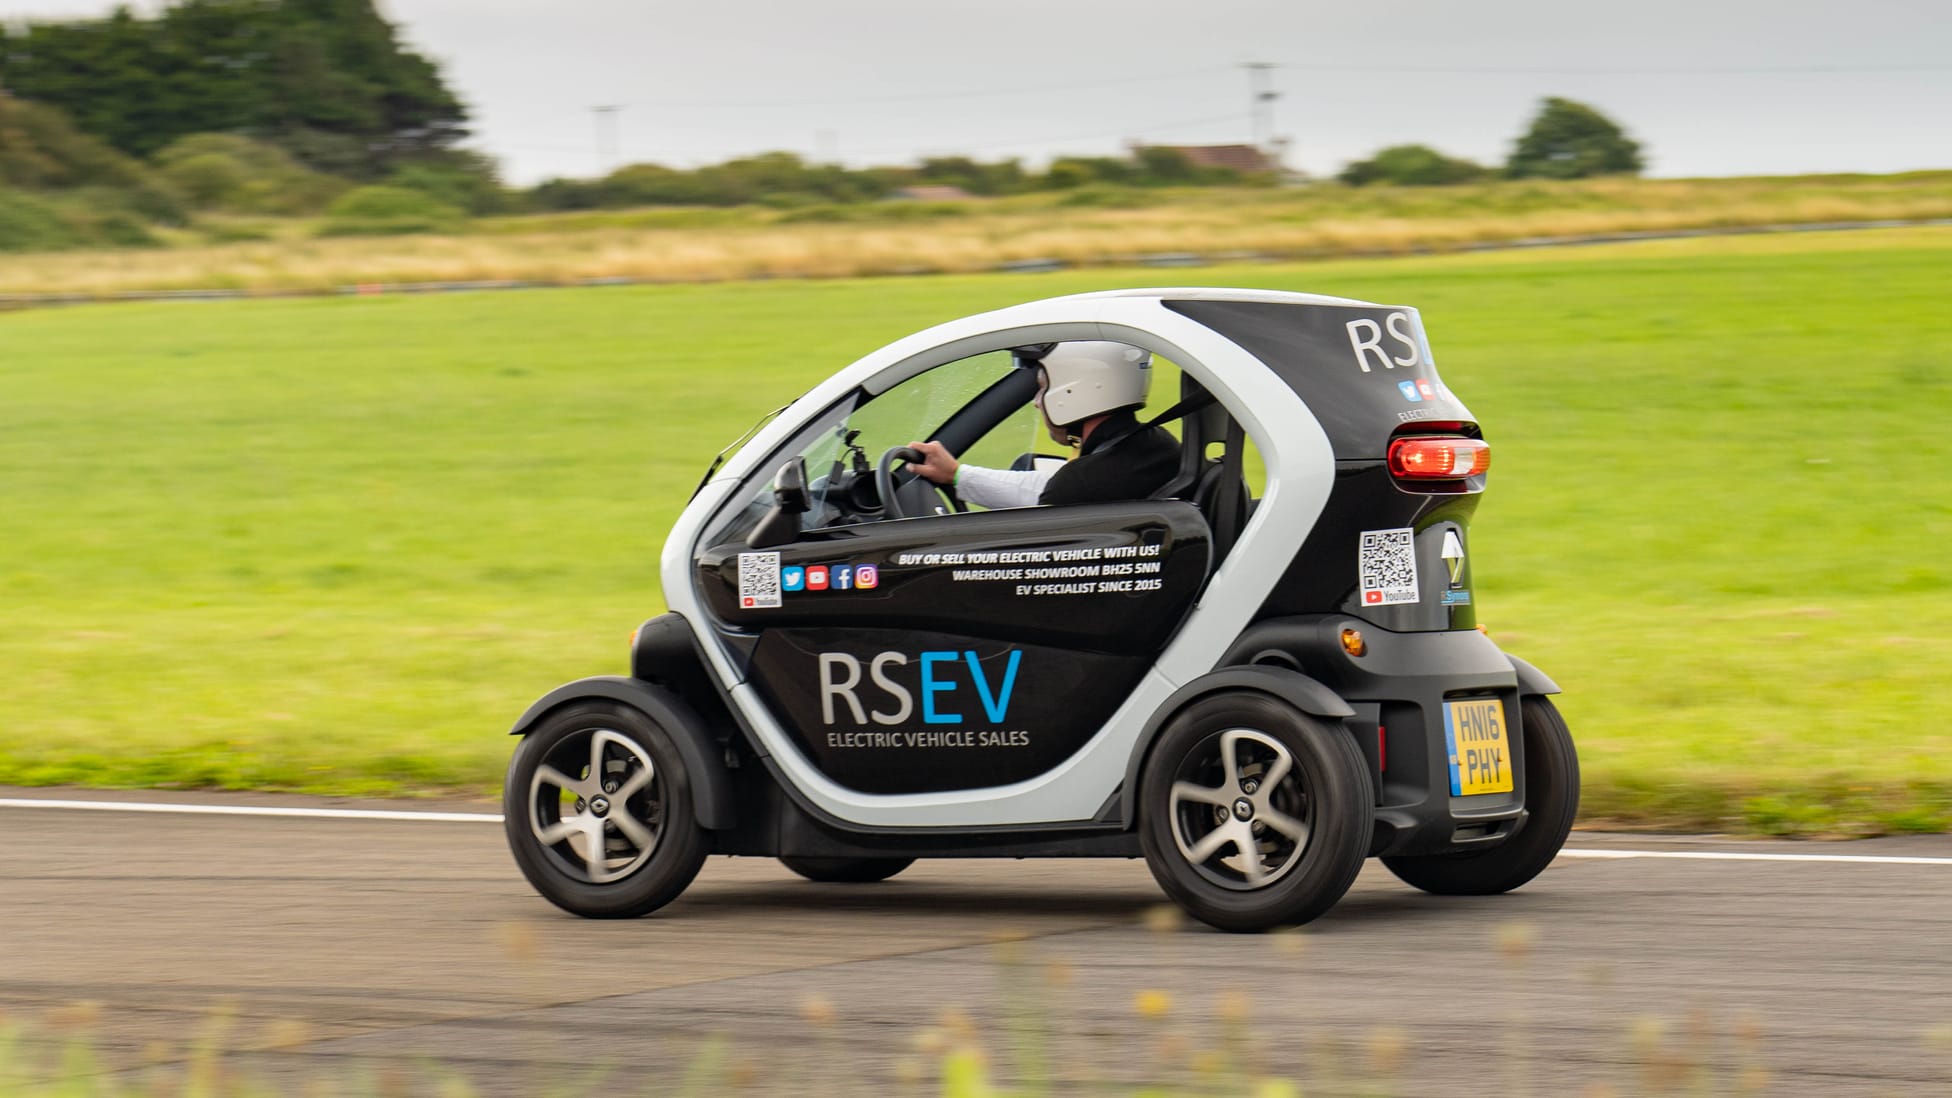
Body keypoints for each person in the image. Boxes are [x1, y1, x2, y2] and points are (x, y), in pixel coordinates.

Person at [905, 341, 1179, 508]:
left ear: (1078, 389)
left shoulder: (1087, 478)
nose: (1037, 402)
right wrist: (957, 475)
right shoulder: (1152, 445)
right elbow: (1043, 490)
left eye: (1042, 388)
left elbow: (1056, 492)